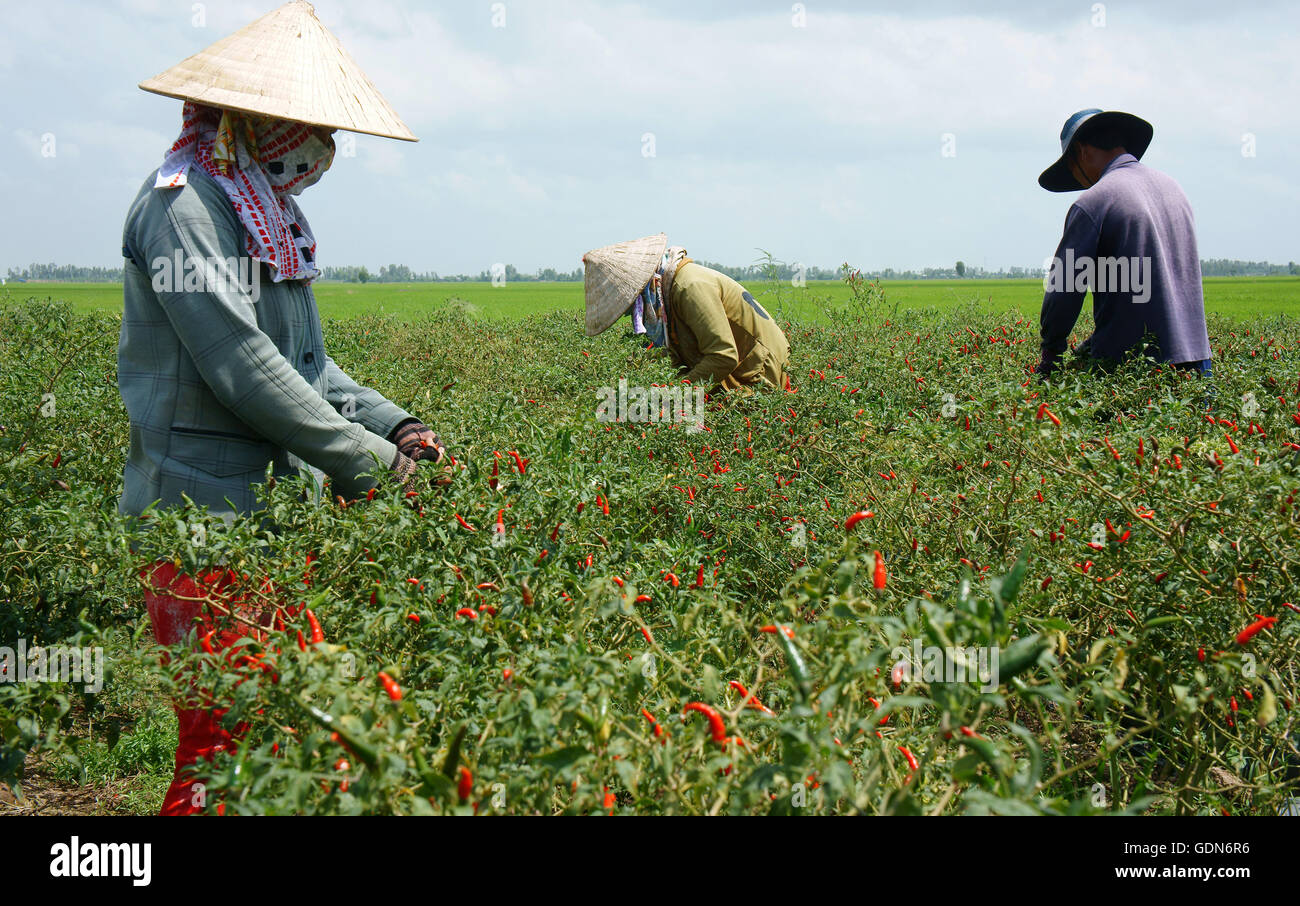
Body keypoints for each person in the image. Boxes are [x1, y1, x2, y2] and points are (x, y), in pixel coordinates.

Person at [119, 0, 441, 814]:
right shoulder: (184, 208)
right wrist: (368, 464)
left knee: (274, 728)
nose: (320, 149)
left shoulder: (259, 210)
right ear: (254, 118)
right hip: (203, 513)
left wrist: (392, 422)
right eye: (304, 125)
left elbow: (306, 361)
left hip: (267, 514)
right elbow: (241, 363)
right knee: (221, 743)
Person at [1035, 109, 1212, 379]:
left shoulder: (1094, 202)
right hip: (1198, 363)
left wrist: (1052, 353)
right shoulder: (1174, 189)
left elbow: (1064, 290)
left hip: (1135, 370)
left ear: (1081, 152)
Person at [582, 234, 791, 391]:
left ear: (645, 286)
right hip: (740, 367)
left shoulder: (689, 287)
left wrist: (677, 394)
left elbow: (723, 355)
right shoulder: (667, 293)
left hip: (760, 371)